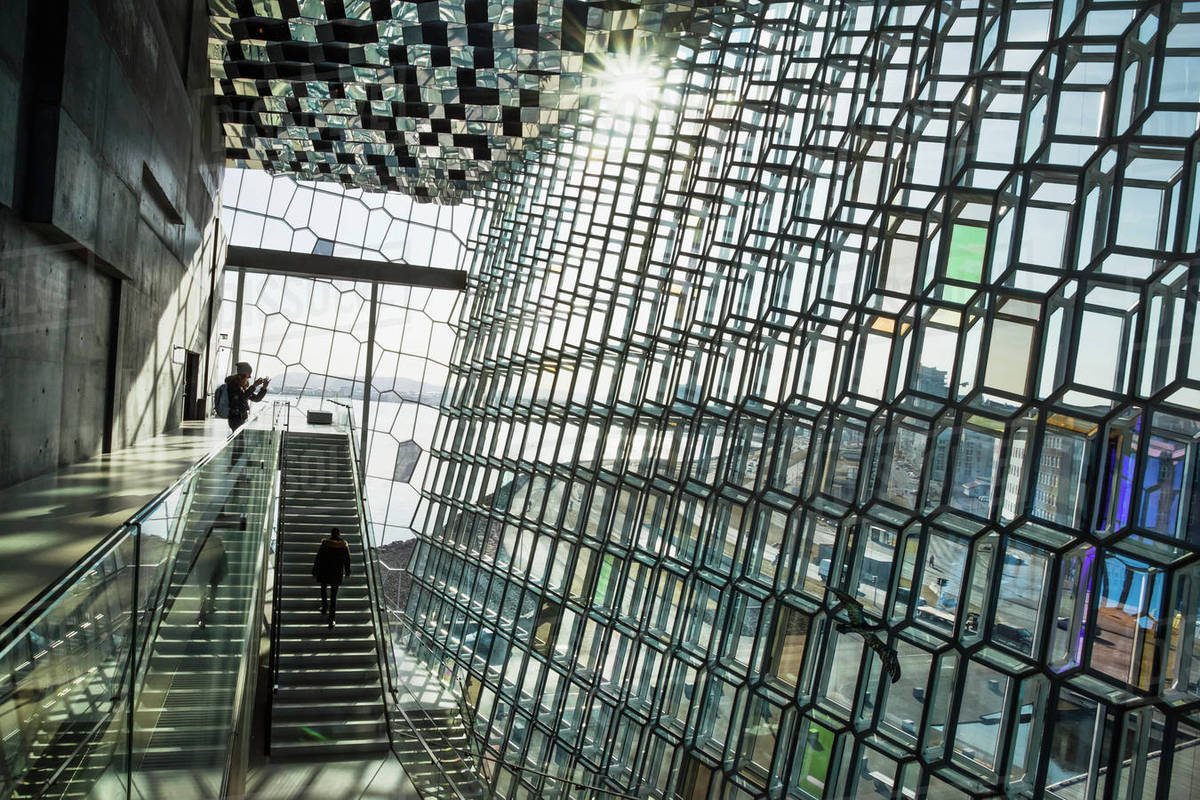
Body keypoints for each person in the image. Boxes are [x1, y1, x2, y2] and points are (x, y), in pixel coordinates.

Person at [312, 527, 351, 628]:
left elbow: (318, 558)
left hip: (325, 572)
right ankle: (331, 619)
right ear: (339, 534)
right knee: (333, 597)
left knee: (323, 590)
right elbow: (347, 560)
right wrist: (347, 572)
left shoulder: (325, 544)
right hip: (336, 574)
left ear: (331, 533)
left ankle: (324, 607)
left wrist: (315, 572)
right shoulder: (343, 545)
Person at [194, 532, 228, 629]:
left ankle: (202, 616)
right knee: (214, 589)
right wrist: (224, 569)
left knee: (203, 593)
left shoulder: (199, 541)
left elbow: (194, 557)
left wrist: (193, 569)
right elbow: (223, 556)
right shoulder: (218, 541)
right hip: (214, 571)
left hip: (202, 571)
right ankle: (210, 607)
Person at [225, 361, 269, 432]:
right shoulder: (233, 385)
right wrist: (254, 386)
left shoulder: (242, 386)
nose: (250, 377)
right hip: (236, 418)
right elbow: (242, 398)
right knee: (238, 440)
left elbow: (256, 398)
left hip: (241, 417)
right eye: (249, 374)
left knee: (239, 440)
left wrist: (264, 388)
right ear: (243, 374)